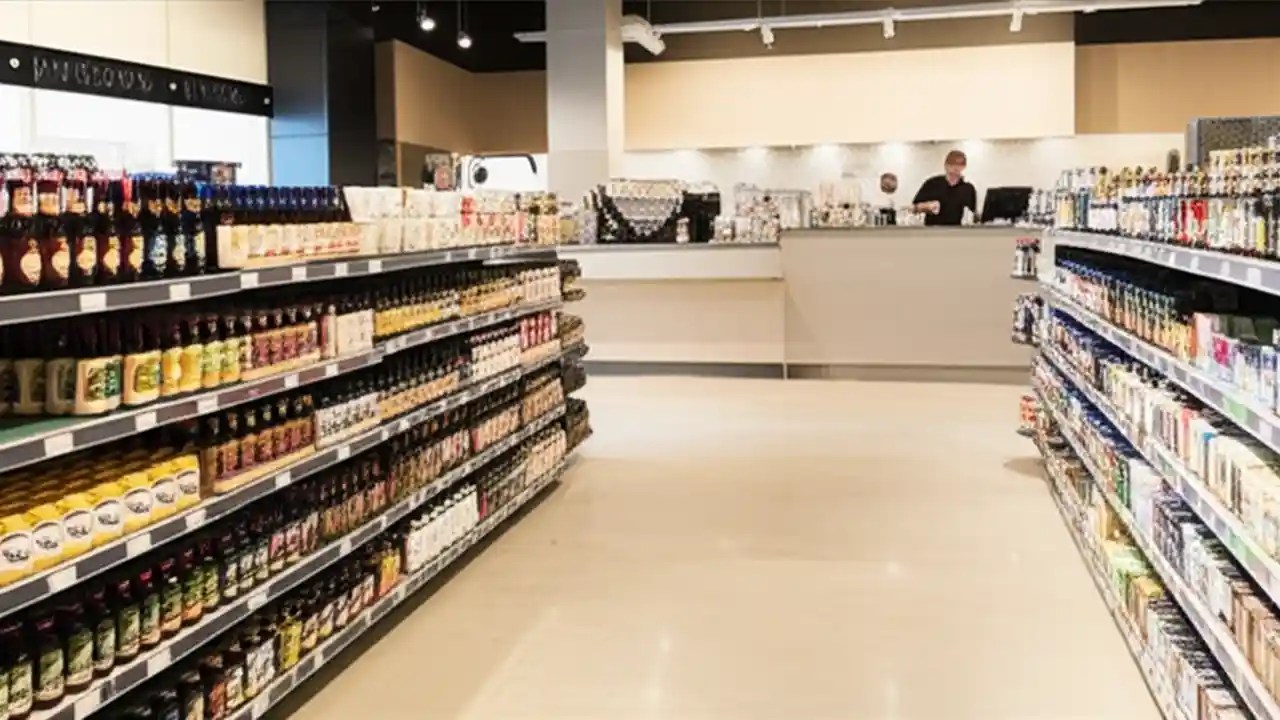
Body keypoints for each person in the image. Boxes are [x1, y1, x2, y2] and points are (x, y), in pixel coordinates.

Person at [911, 149, 978, 226]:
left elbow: (974, 214)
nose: (956, 168)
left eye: (960, 165)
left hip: (958, 232)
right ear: (946, 165)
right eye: (952, 164)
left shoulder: (968, 189)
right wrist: (926, 207)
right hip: (932, 230)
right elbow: (913, 208)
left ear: (964, 167)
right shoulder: (932, 184)